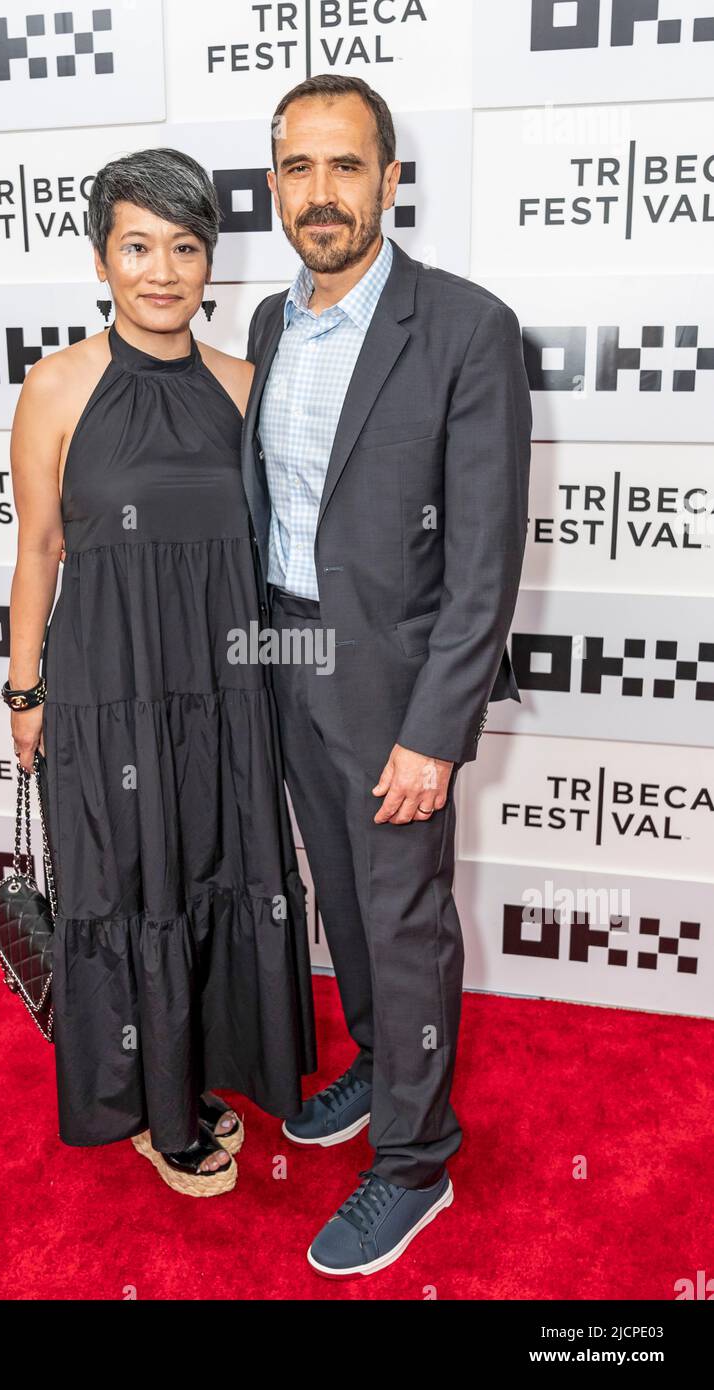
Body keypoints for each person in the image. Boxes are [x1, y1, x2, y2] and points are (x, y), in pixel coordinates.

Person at [243, 75, 532, 1273]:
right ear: (273, 187)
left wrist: (433, 728)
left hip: (394, 680)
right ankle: (375, 1058)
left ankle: (414, 1161)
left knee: (402, 913)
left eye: (345, 167)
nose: (321, 194)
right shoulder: (267, 324)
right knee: (343, 897)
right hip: (285, 652)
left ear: (388, 180)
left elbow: (482, 562)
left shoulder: (464, 326)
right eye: (298, 170)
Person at [4, 146, 316, 1197]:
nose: (162, 270)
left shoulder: (242, 385)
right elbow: (38, 548)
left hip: (226, 697)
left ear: (208, 264)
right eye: (138, 245)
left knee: (215, 876)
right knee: (131, 884)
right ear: (103, 259)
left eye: (185, 247)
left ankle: (200, 1073)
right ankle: (153, 1110)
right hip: (105, 689)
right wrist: (23, 688)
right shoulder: (56, 385)